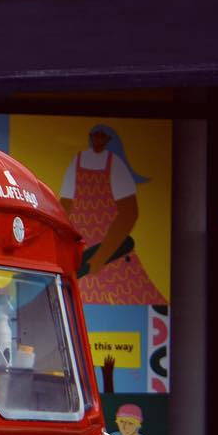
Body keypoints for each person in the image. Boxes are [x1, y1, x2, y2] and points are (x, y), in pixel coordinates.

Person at [59, 123, 166, 305]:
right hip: (79, 250)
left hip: (110, 252)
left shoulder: (115, 165)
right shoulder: (77, 162)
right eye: (95, 136)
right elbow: (64, 207)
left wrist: (102, 255)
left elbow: (129, 213)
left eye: (103, 137)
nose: (98, 141)